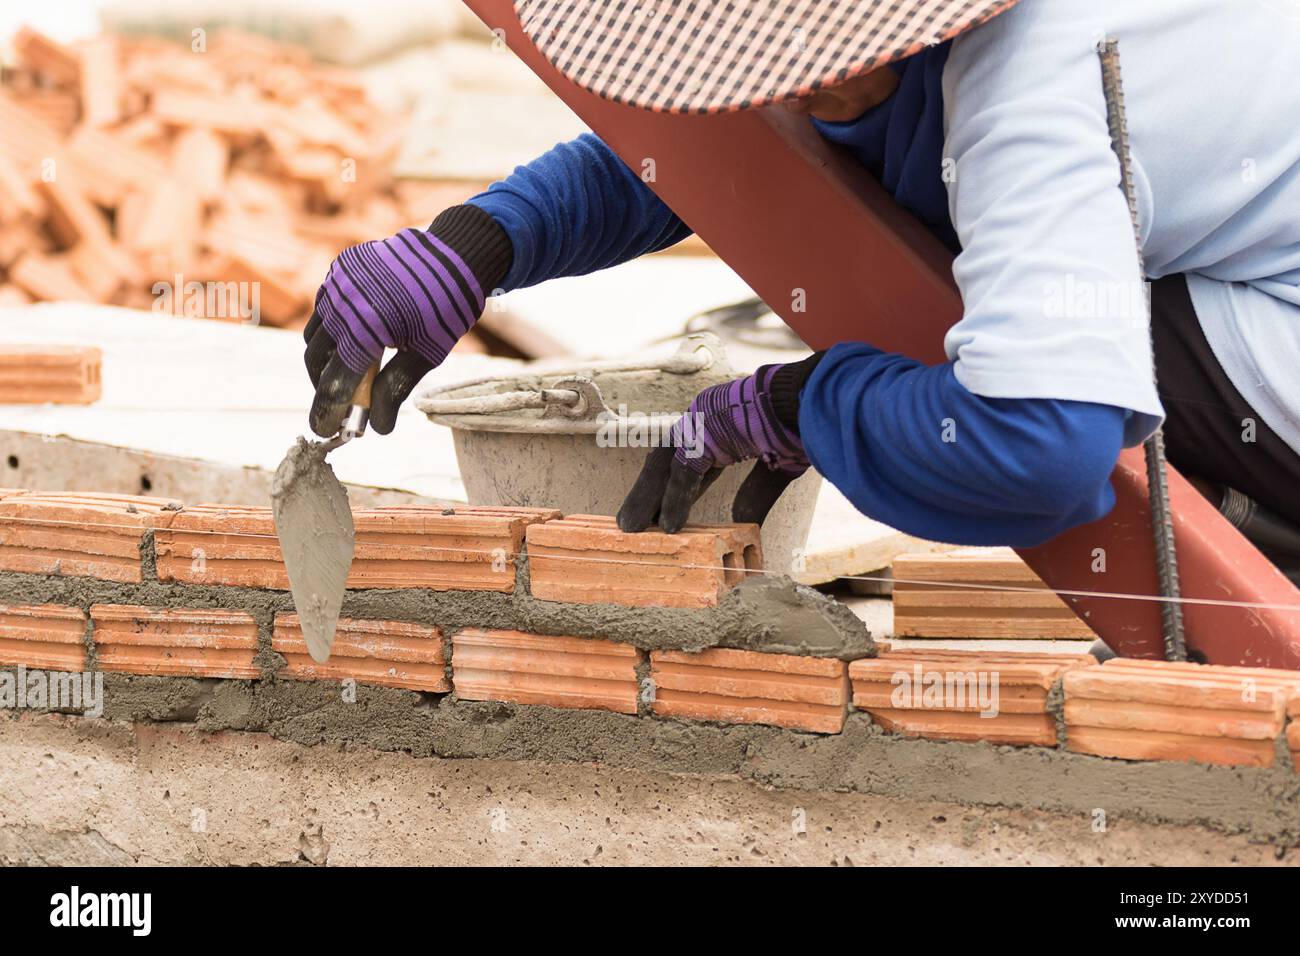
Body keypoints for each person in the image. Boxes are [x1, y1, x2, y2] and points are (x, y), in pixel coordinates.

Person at [301, 0, 1300, 575]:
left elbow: (1041, 442)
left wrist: (814, 406)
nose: (787, 86)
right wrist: (482, 242)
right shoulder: (925, 50)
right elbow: (743, 148)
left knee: (987, 335)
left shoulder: (1024, 89)